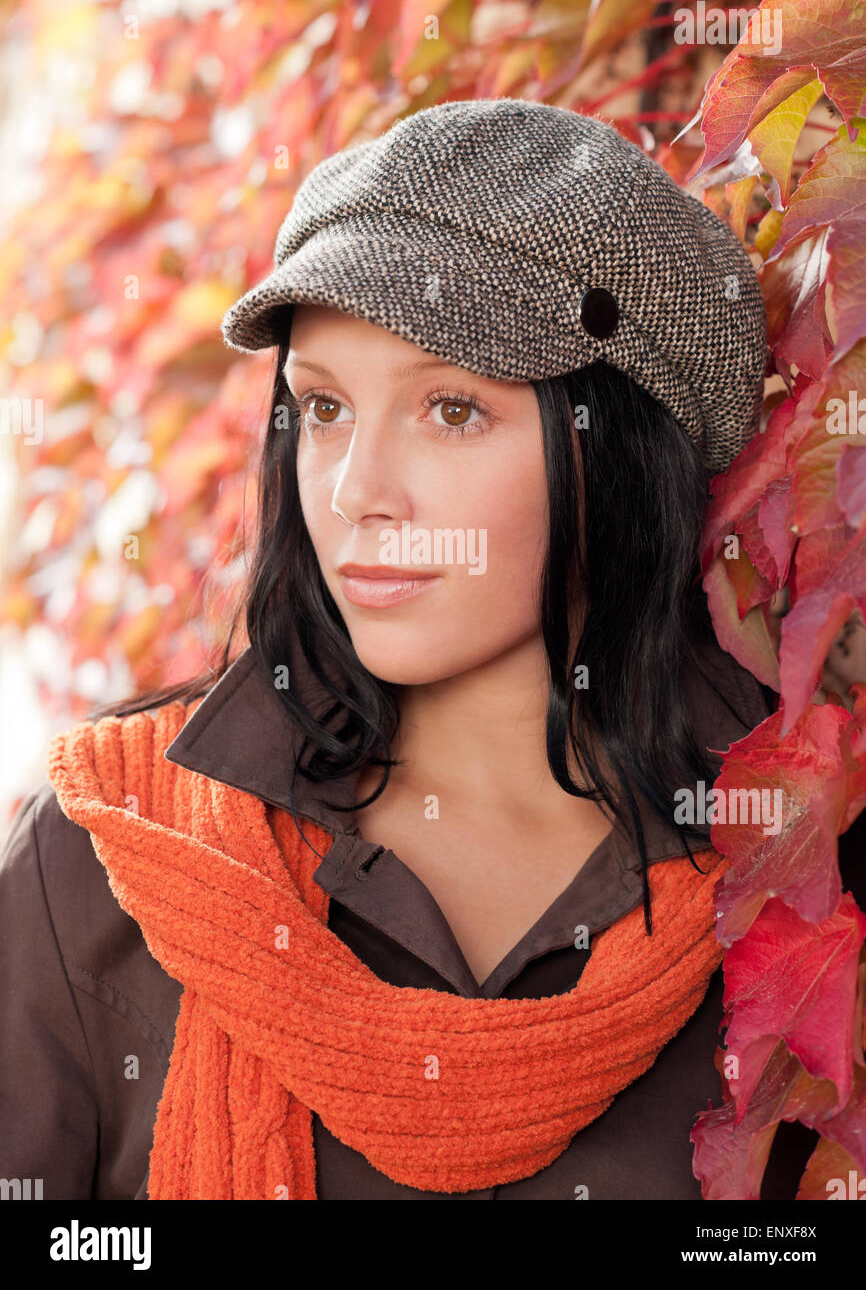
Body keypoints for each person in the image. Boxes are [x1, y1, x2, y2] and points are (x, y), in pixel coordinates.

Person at [0, 98, 839, 1201]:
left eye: (449, 411)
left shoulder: (804, 876)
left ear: (620, 449)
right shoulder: (111, 859)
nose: (354, 493)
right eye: (325, 408)